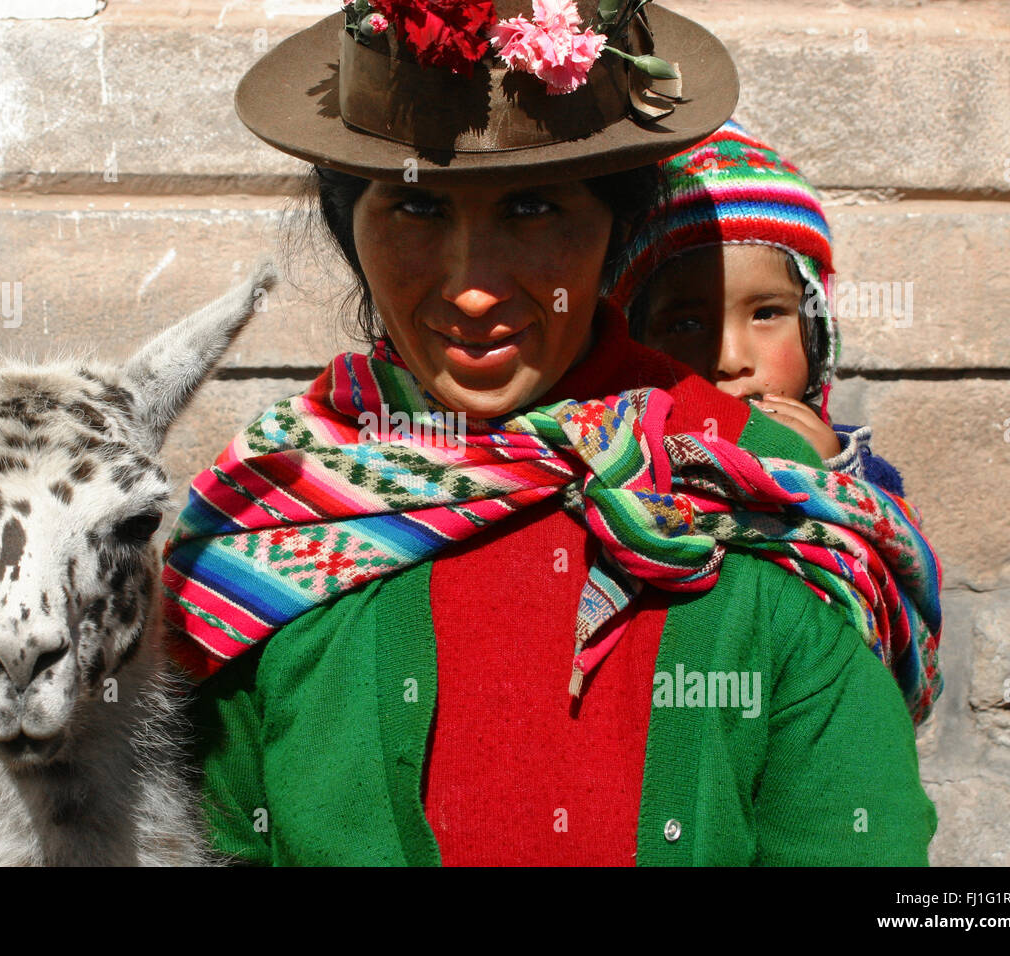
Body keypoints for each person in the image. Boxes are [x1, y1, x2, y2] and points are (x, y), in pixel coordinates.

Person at [161, 0, 942, 866]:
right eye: (418, 213)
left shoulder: (761, 494)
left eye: (532, 210)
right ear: (350, 225)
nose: (472, 288)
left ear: (617, 222)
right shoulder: (271, 514)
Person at [609, 119, 906, 496]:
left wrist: (831, 475)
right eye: (686, 325)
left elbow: (897, 548)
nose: (731, 361)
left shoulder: (846, 462)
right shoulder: (613, 463)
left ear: (818, 328)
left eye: (765, 314)